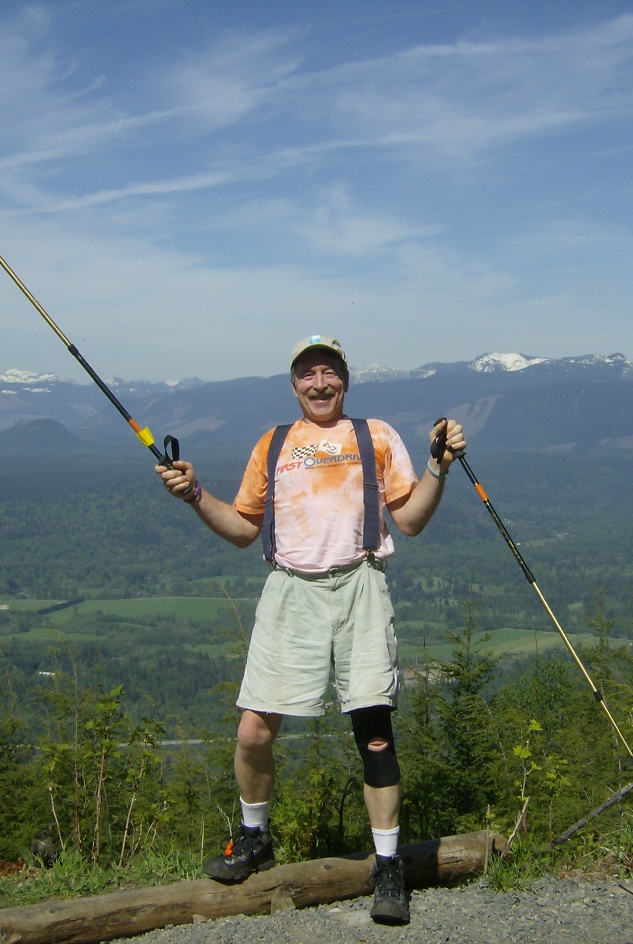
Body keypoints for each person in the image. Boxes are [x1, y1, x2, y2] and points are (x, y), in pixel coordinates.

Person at [157, 334, 466, 925]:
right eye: (307, 374)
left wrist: (437, 467)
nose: (319, 384)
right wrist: (195, 494)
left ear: (344, 380)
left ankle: (388, 864)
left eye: (329, 372)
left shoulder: (375, 436)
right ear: (294, 384)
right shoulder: (273, 444)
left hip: (360, 584)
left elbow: (410, 519)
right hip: (290, 588)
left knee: (374, 733)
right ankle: (254, 836)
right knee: (253, 731)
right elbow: (245, 529)